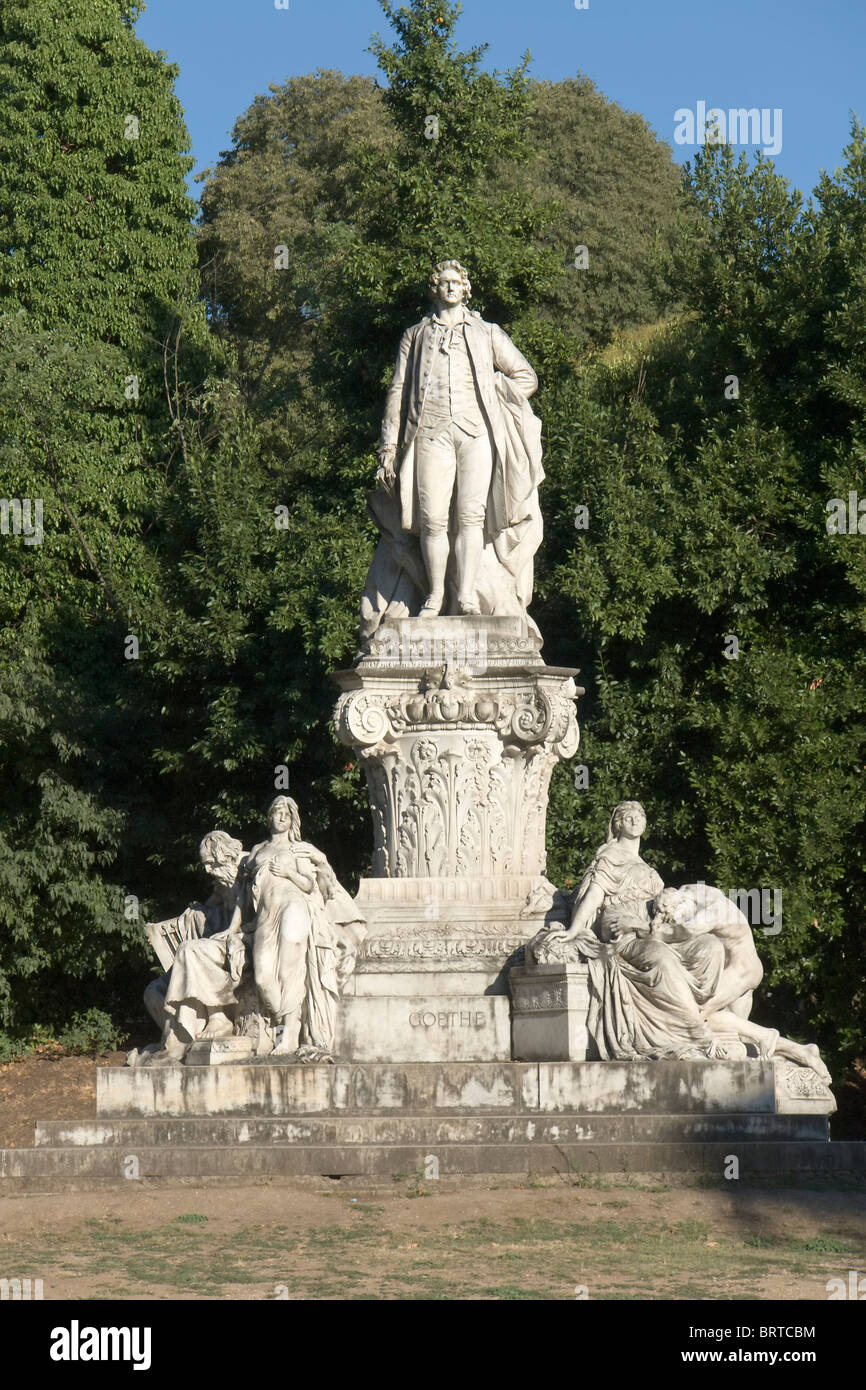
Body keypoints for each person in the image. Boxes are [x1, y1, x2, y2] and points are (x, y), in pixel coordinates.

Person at [362, 259, 544, 633]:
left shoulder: (486, 332)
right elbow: (396, 392)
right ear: (434, 289)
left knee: (471, 517)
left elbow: (527, 377)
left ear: (465, 289)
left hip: (476, 432)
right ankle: (434, 596)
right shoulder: (414, 336)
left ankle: (464, 596)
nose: (449, 288)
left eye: (456, 283)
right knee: (432, 520)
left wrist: (497, 386)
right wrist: (388, 449)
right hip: (429, 433)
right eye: (443, 282)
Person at [231, 796, 366, 1057]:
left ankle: (289, 1035)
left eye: (286, 814)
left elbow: (309, 885)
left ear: (293, 820)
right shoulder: (257, 851)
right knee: (263, 976)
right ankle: (285, 1023)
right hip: (264, 917)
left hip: (294, 909)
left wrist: (288, 873)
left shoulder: (300, 849)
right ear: (268, 816)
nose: (281, 817)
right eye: (276, 812)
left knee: (289, 971)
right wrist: (232, 927)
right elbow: (242, 895)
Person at [137, 831, 247, 1065]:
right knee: (154, 990)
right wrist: (162, 930)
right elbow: (205, 910)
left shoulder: (249, 871)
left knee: (190, 950)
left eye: (209, 864)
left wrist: (236, 935)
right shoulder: (223, 882)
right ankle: (176, 1038)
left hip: (244, 945)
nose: (208, 871)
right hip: (221, 943)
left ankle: (219, 1017)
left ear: (223, 856)